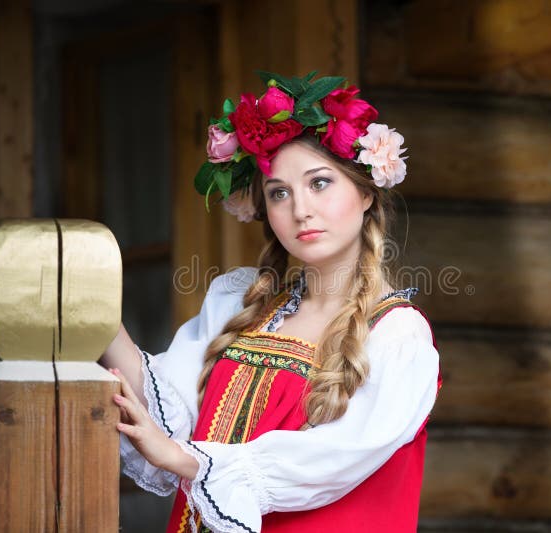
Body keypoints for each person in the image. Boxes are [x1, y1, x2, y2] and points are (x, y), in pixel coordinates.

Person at [100, 71, 441, 533]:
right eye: (279, 193)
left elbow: (332, 460)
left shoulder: (398, 335)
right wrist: (97, 313)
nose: (300, 210)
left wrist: (185, 458)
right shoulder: (238, 304)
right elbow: (166, 411)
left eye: (320, 183)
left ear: (365, 193)